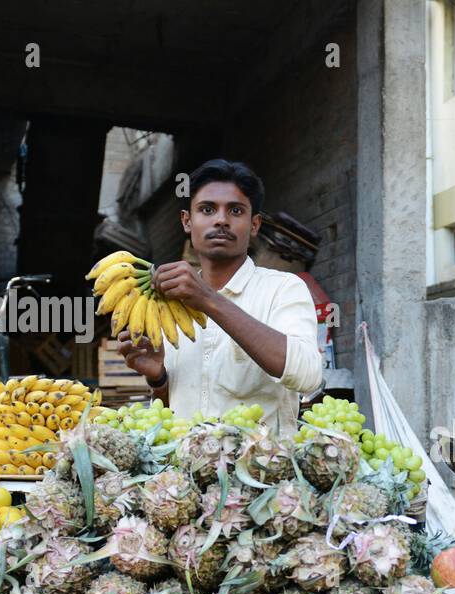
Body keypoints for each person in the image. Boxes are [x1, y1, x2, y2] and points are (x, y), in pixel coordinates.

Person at [117, 159, 324, 433]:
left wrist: (209, 300)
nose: (221, 220)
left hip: (261, 470)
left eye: (236, 211)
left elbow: (308, 376)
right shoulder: (170, 306)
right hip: (186, 471)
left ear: (254, 225)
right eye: (207, 209)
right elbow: (170, 415)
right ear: (187, 221)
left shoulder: (284, 289)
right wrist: (159, 378)